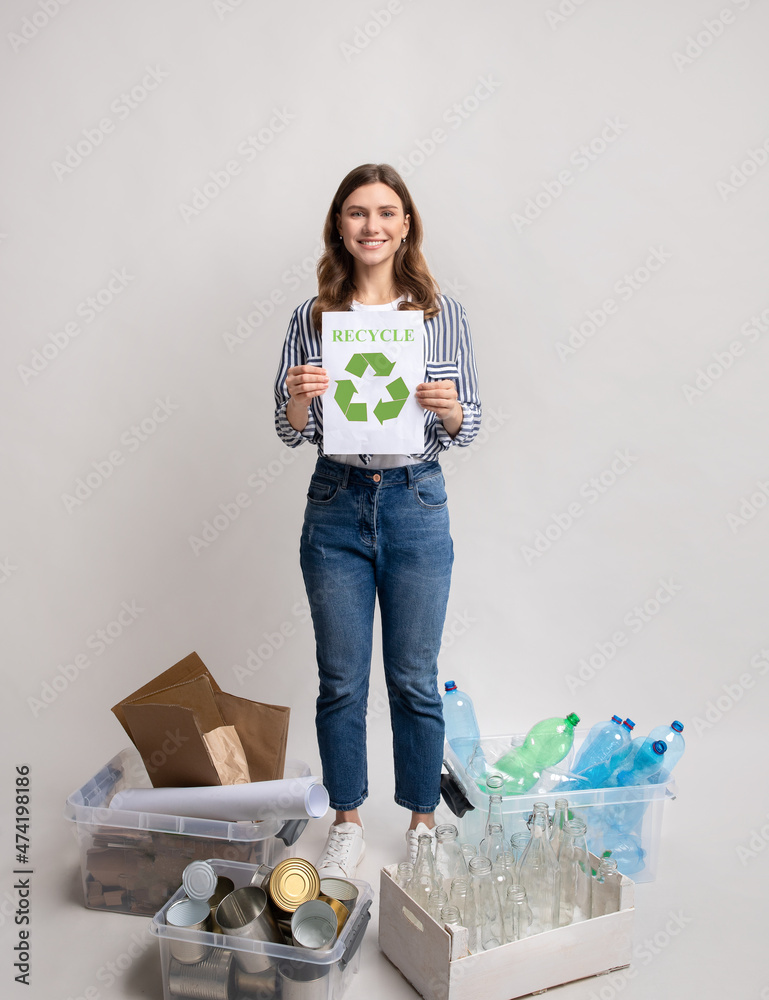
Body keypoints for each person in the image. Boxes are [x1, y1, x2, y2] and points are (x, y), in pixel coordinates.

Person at [273, 163, 481, 878]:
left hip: (415, 500)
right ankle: (347, 818)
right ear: (339, 224)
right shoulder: (312, 316)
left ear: (405, 225)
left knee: (414, 678)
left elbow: (468, 422)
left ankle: (423, 819)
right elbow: (287, 426)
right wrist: (302, 396)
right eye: (357, 213)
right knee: (341, 679)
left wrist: (450, 410)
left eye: (386, 212)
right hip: (335, 502)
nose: (372, 226)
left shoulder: (439, 314)